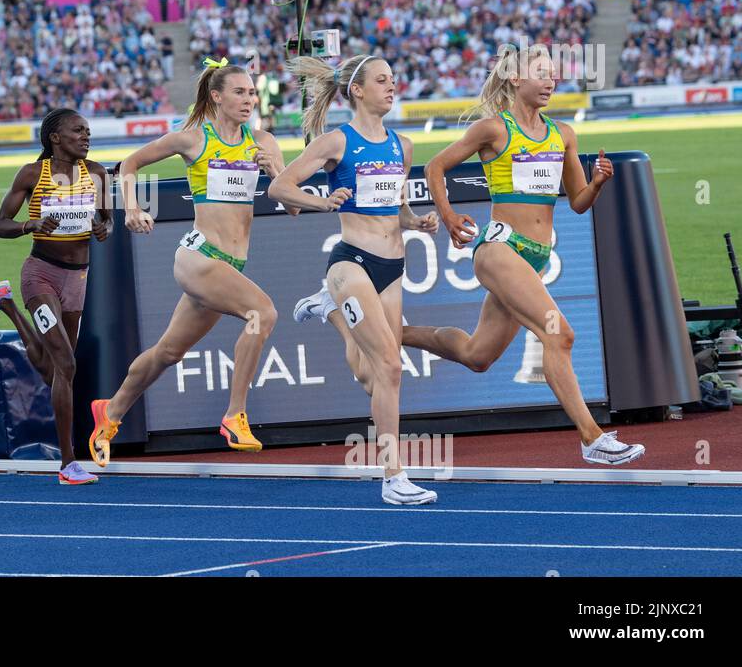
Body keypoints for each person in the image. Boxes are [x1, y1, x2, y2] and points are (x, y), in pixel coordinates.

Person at [400, 43, 645, 466]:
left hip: (534, 257)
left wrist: (599, 182)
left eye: (554, 74)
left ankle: (389, 331)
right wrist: (449, 215)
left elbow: (578, 201)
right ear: (516, 78)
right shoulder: (494, 129)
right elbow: (435, 167)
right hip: (499, 250)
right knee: (559, 334)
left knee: (478, 356)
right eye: (541, 73)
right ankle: (592, 437)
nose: (551, 81)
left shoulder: (563, 133)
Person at [86, 58, 328, 467]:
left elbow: (291, 211)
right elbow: (129, 164)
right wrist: (130, 208)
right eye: (239, 92)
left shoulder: (264, 143)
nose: (249, 99)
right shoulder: (194, 138)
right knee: (263, 313)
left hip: (229, 267)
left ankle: (108, 414)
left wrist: (276, 175)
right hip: (197, 256)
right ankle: (235, 415)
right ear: (216, 96)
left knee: (168, 353)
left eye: (252, 92)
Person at [273, 55, 441, 505]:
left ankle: (330, 310)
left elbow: (393, 204)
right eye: (382, 80)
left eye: (394, 78)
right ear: (357, 91)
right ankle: (393, 476)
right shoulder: (336, 142)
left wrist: (415, 222)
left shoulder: (402, 146)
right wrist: (323, 203)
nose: (393, 86)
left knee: (372, 378)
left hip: (393, 268)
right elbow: (280, 188)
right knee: (390, 367)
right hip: (352, 264)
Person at [0, 108, 111, 485]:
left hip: (77, 279)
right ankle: (68, 464)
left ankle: (6, 305)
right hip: (41, 276)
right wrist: (30, 224)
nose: (86, 136)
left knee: (53, 371)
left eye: (88, 131)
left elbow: (106, 220)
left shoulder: (97, 173)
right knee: (66, 364)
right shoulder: (33, 175)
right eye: (77, 131)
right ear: (54, 137)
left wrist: (103, 229)